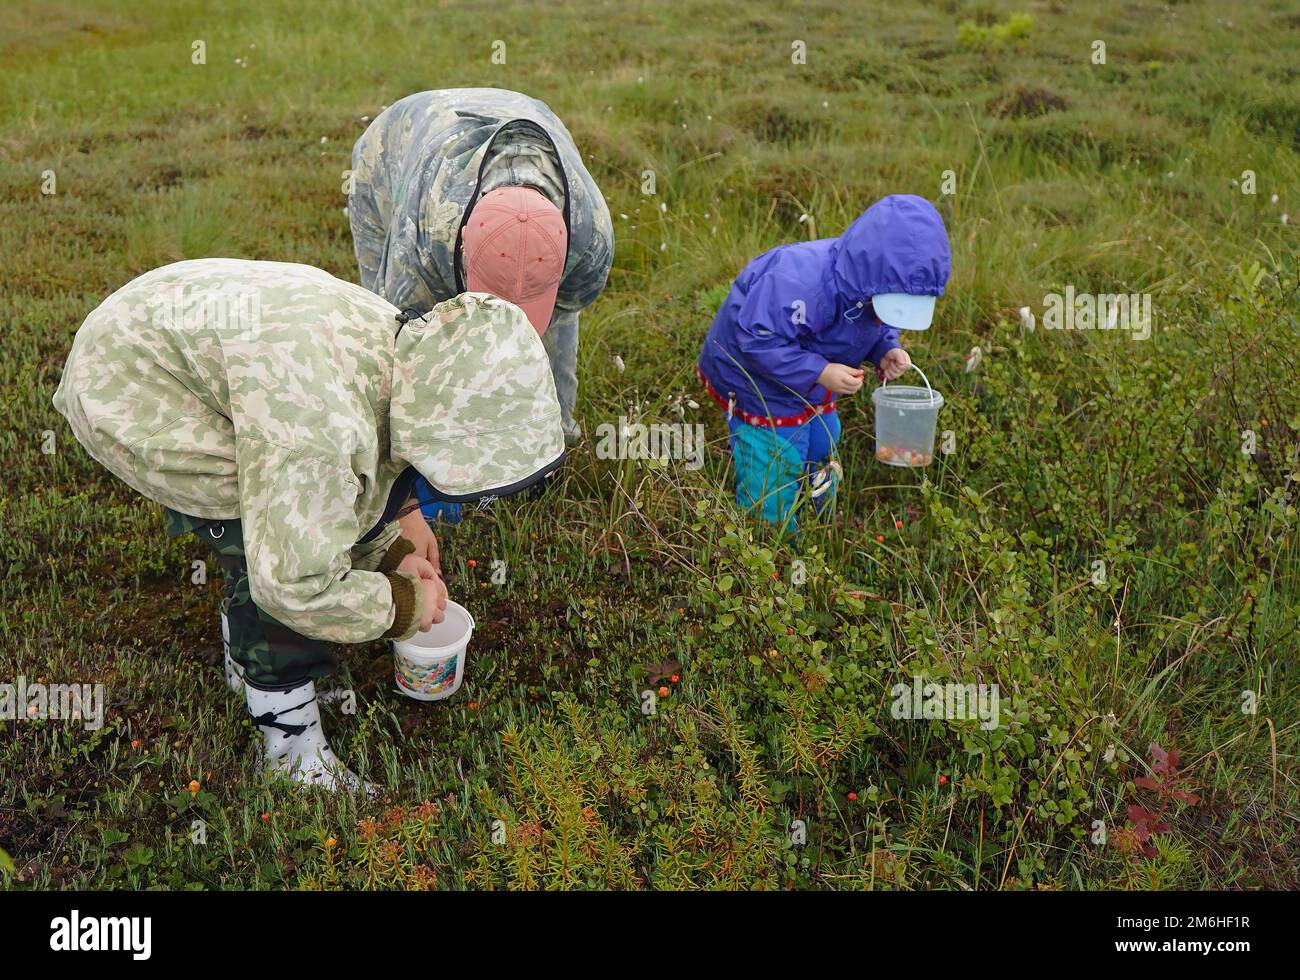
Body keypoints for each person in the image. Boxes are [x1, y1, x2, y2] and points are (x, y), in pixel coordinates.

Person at [53, 258, 565, 791]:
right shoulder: (317, 433)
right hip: (128, 383)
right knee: (270, 556)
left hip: (164, 327)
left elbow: (366, 464)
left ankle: (244, 665)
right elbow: (292, 582)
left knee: (296, 514)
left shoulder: (411, 353)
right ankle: (291, 753)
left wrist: (388, 553)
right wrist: (401, 605)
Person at [349, 87, 614, 451]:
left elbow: (560, 337)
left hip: (526, 110)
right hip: (396, 144)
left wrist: (554, 439)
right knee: (388, 327)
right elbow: (403, 343)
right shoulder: (426, 237)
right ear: (461, 250)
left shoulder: (590, 239)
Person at [696, 194, 951, 531]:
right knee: (775, 456)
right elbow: (757, 339)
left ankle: (821, 520)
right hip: (755, 380)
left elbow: (876, 321)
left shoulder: (870, 288)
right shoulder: (799, 284)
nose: (891, 310)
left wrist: (885, 349)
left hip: (812, 382)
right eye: (894, 302)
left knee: (824, 442)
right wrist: (819, 371)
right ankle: (773, 538)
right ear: (869, 279)